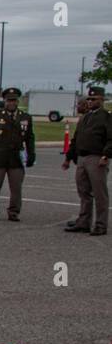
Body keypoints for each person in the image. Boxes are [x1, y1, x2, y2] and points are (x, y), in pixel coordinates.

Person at [63, 84, 111, 236]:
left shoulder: (106, 117)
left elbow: (111, 139)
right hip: (82, 158)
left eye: (94, 98)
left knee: (99, 193)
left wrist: (106, 155)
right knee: (83, 191)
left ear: (101, 99)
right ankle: (84, 222)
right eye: (89, 98)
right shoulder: (85, 117)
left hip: (96, 158)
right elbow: (76, 139)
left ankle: (100, 224)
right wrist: (69, 158)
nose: (90, 101)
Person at [0, 86, 34, 222]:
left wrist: (31, 154)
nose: (11, 103)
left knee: (16, 188)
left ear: (18, 101)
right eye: (9, 100)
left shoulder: (25, 118)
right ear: (4, 101)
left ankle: (14, 212)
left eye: (14, 100)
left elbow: (29, 138)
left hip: (16, 160)